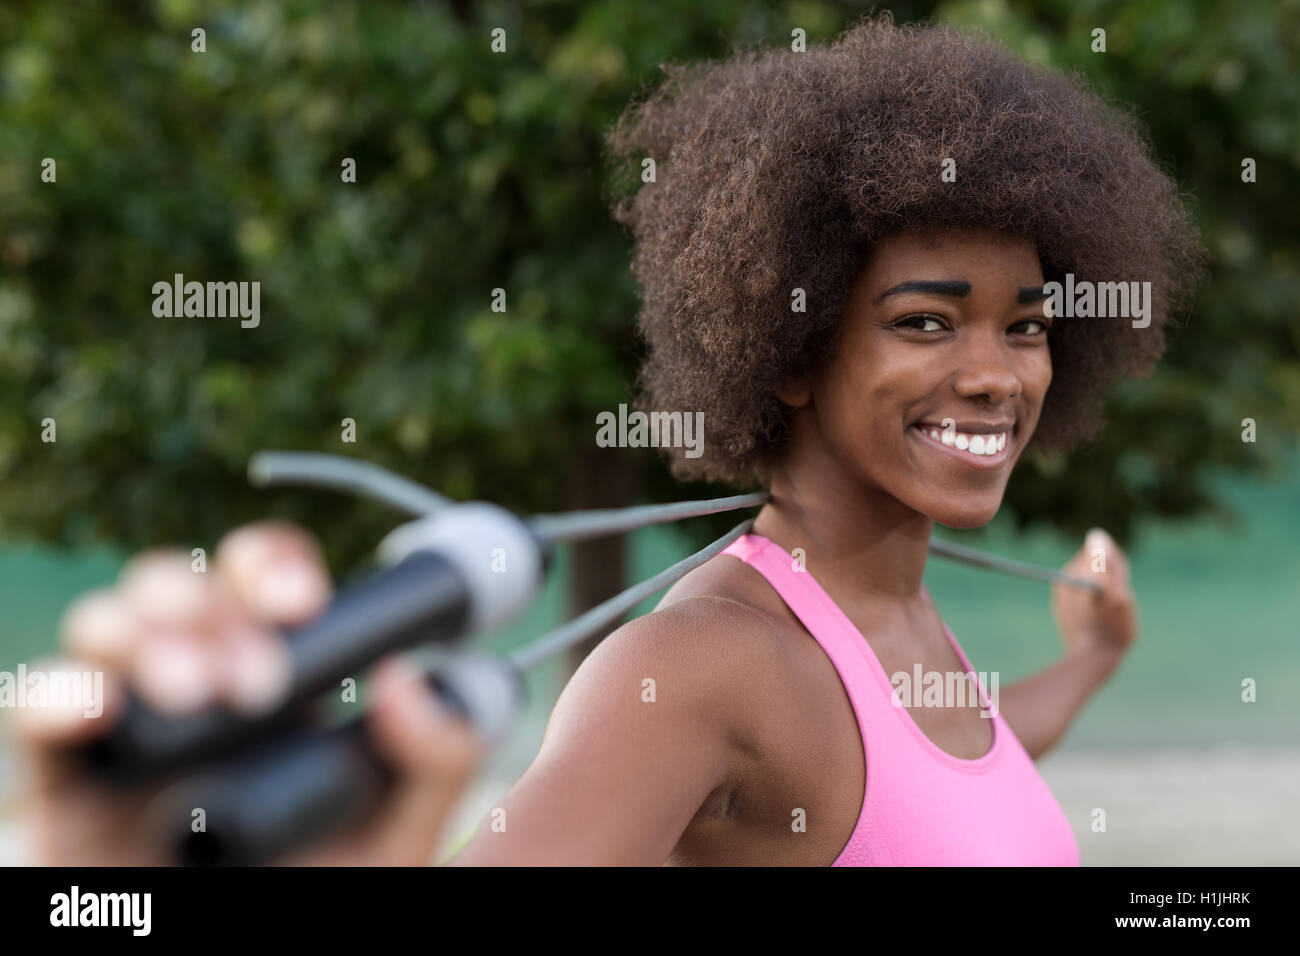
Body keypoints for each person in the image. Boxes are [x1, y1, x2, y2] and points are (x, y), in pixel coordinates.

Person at [15, 14, 1202, 865]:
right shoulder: (694, 667)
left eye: (1027, 326)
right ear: (787, 353)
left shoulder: (907, 620)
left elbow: (952, 783)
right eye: (925, 321)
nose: (995, 372)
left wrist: (1092, 658)